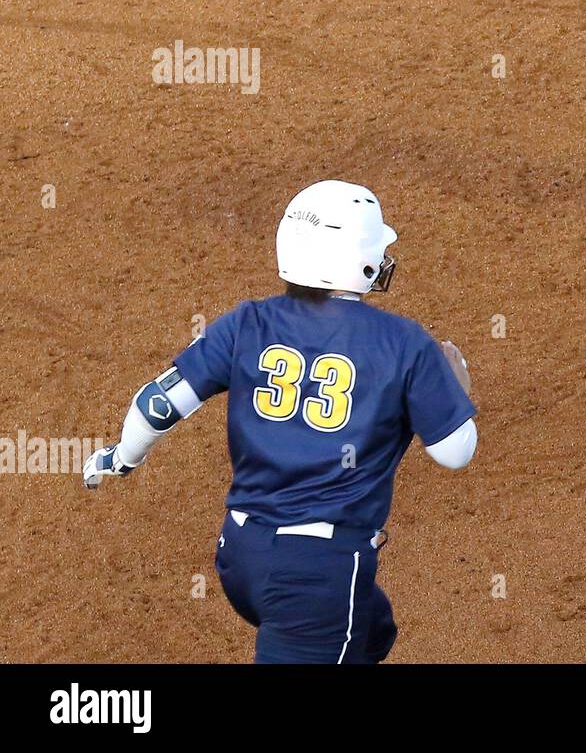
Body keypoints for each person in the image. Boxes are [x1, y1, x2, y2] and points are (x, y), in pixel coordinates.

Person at [83, 179, 478, 663]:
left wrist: (120, 458)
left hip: (241, 557)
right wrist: (452, 390)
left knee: (372, 629)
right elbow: (455, 452)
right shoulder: (403, 342)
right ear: (364, 260)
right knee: (337, 616)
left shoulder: (247, 322)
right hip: (314, 578)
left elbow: (156, 406)